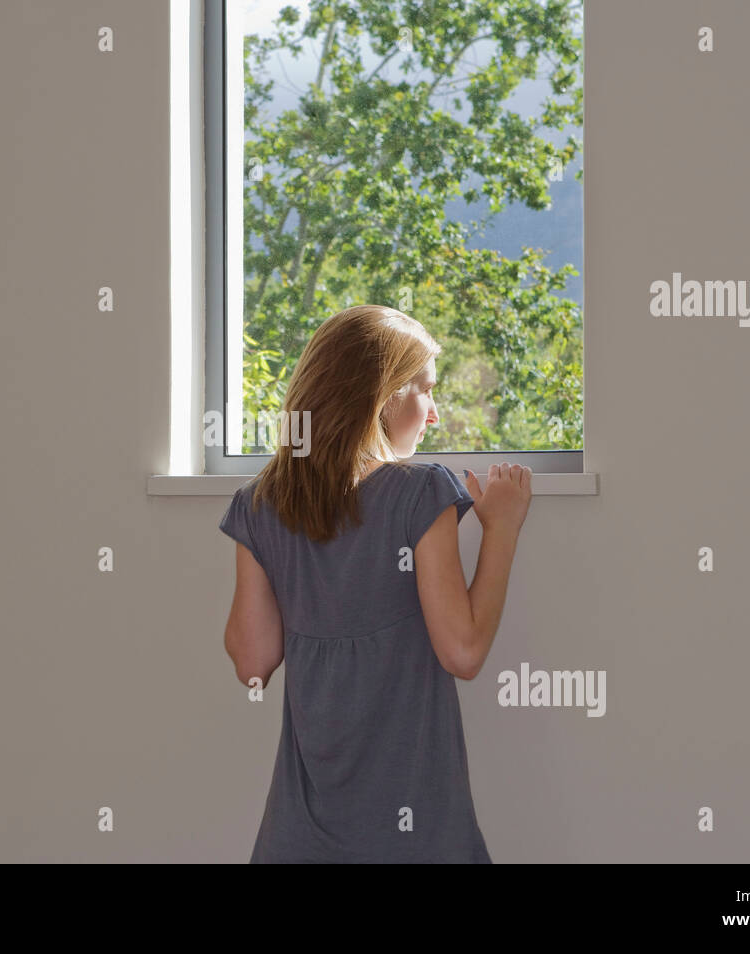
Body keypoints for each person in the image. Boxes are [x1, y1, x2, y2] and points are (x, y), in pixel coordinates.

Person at [219, 304, 533, 863]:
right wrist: (501, 532)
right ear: (386, 396)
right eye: (426, 391)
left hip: (298, 841)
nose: (433, 415)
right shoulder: (418, 493)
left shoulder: (259, 503)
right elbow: (463, 653)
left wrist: (263, 537)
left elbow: (253, 663)